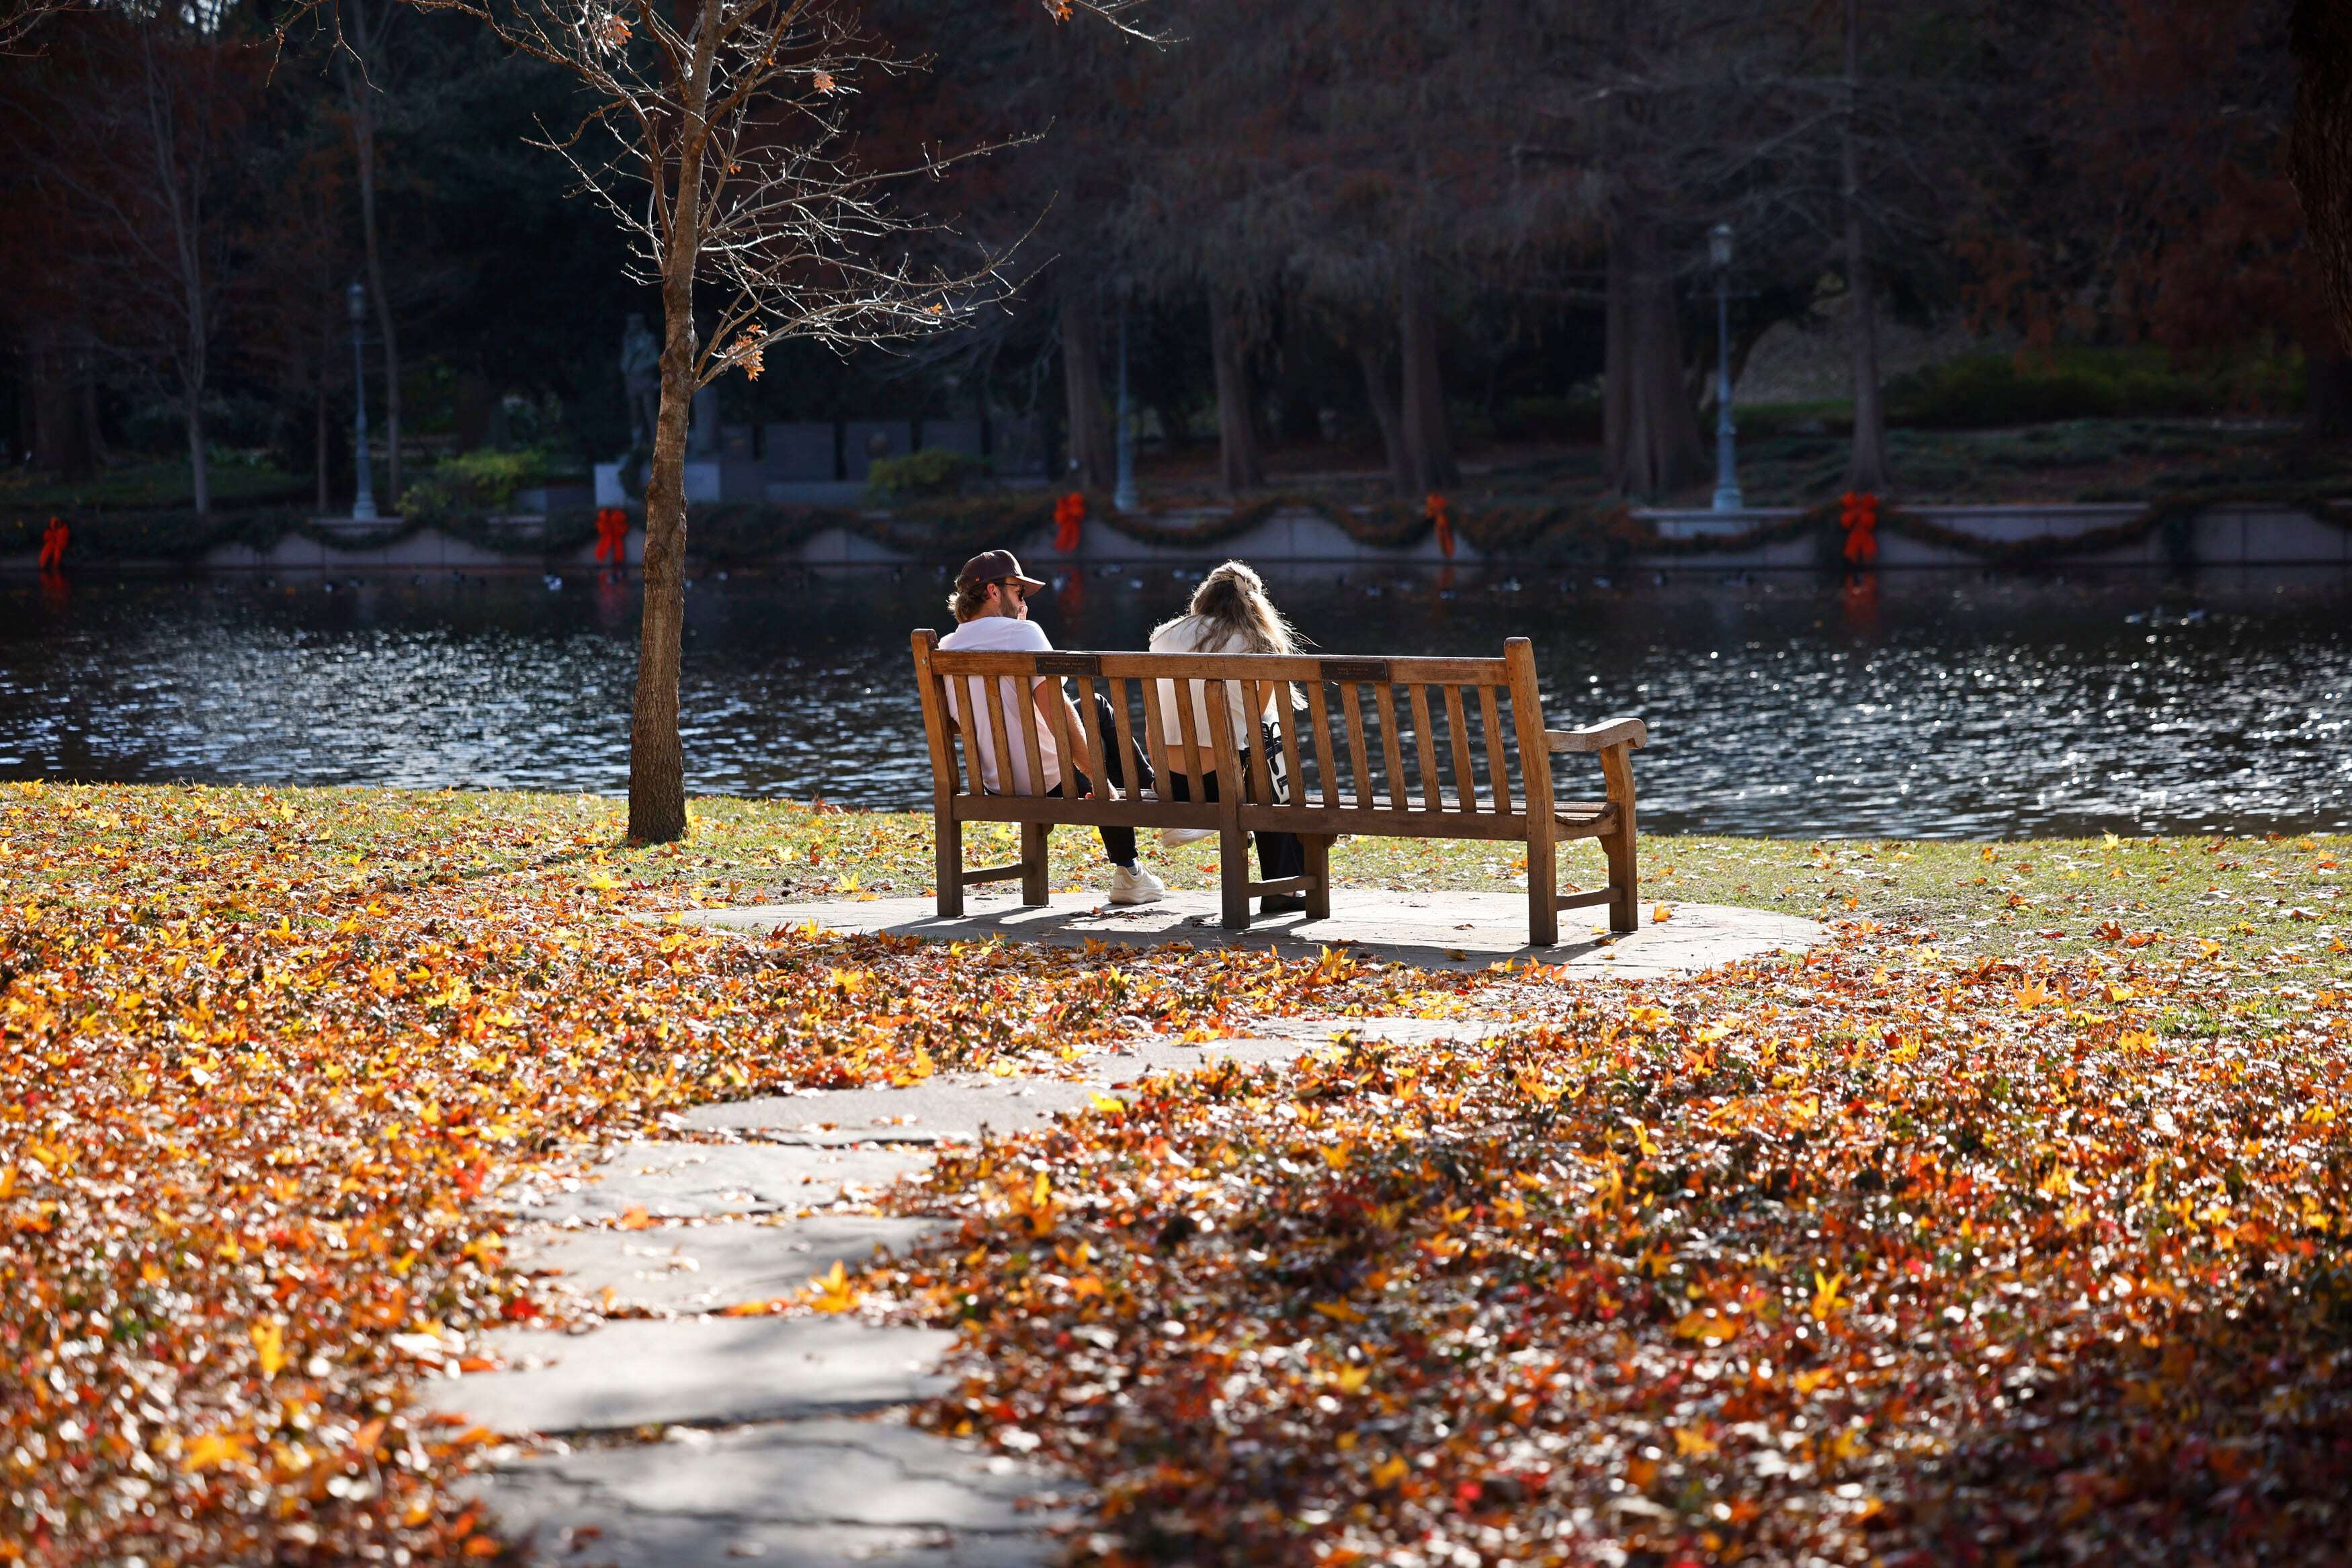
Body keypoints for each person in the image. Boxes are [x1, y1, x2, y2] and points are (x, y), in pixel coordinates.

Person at [937, 550, 1168, 906]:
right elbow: (1057, 715)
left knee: (1093, 707)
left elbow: (959, 723)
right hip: (1047, 779)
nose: (1023, 601)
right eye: (1019, 591)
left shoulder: (946, 648)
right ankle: (1131, 863)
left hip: (995, 783)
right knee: (1093, 716)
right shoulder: (1024, 634)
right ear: (994, 592)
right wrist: (1099, 780)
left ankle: (1145, 818)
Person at [1148, 560, 1311, 916]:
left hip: (1171, 780)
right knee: (1271, 750)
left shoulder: (1163, 636)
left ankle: (1283, 885)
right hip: (1225, 782)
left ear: (1204, 596)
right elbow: (1256, 717)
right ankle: (1283, 885)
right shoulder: (1258, 643)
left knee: (1263, 751)